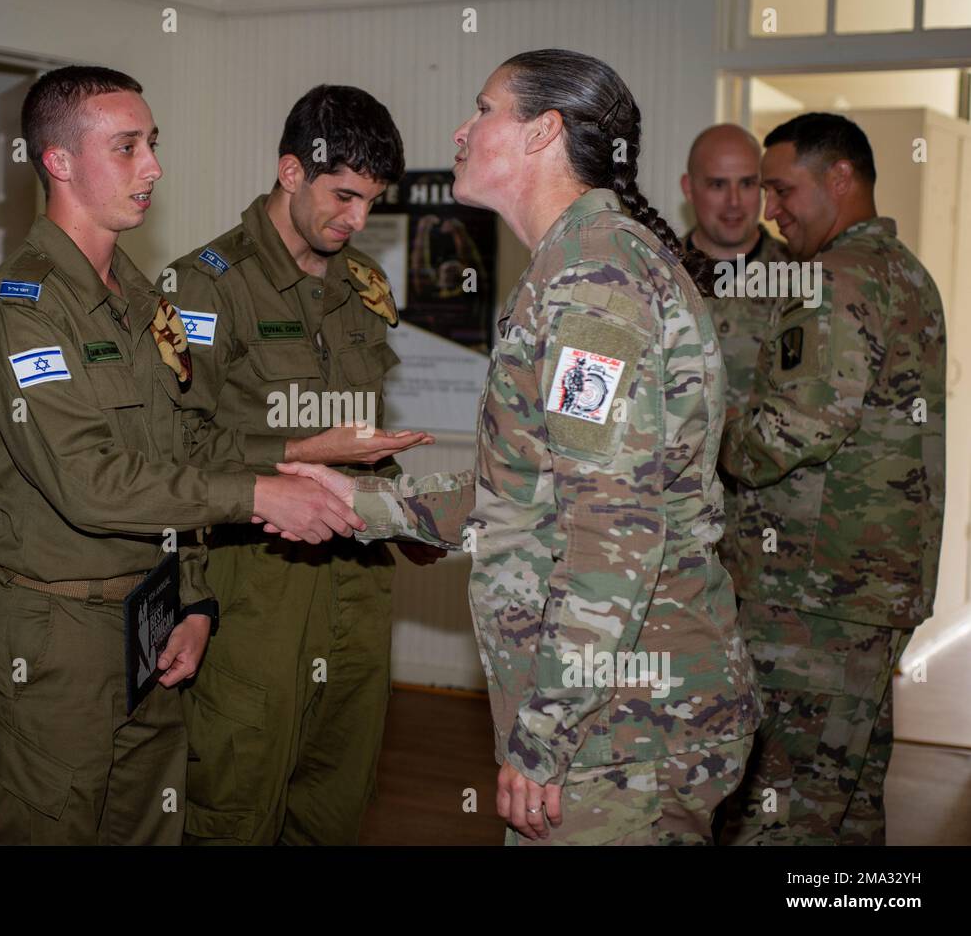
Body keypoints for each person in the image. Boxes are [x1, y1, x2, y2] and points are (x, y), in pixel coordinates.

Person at [278, 49, 761, 845]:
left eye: (483, 108)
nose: (462, 129)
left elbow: (612, 531)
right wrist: (358, 504)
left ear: (543, 132)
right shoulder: (578, 265)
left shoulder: (592, 280)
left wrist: (544, 738)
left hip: (622, 728)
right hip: (618, 712)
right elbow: (531, 491)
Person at [0, 67, 384, 845]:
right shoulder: (21, 308)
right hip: (55, 636)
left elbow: (180, 446)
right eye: (126, 148)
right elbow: (91, 483)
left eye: (151, 144)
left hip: (149, 621)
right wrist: (261, 495)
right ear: (58, 162)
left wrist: (193, 600)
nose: (153, 166)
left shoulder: (139, 298)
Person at [165, 84, 441, 845]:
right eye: (343, 195)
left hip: (357, 581)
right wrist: (295, 453)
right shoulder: (206, 286)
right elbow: (174, 451)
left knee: (334, 798)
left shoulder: (358, 289)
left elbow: (361, 442)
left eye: (371, 202)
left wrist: (408, 515)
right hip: (257, 586)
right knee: (235, 799)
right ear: (291, 171)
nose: (356, 221)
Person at [717, 113, 945, 846]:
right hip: (868, 591)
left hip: (812, 599)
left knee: (779, 811)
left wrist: (705, 421)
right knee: (848, 806)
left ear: (839, 178)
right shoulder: (906, 271)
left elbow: (788, 431)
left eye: (782, 190)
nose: (770, 210)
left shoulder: (832, 278)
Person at [680, 123, 790, 576]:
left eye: (748, 184)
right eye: (717, 184)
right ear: (689, 189)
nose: (734, 202)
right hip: (676, 530)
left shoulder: (804, 279)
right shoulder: (654, 274)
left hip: (774, 534)